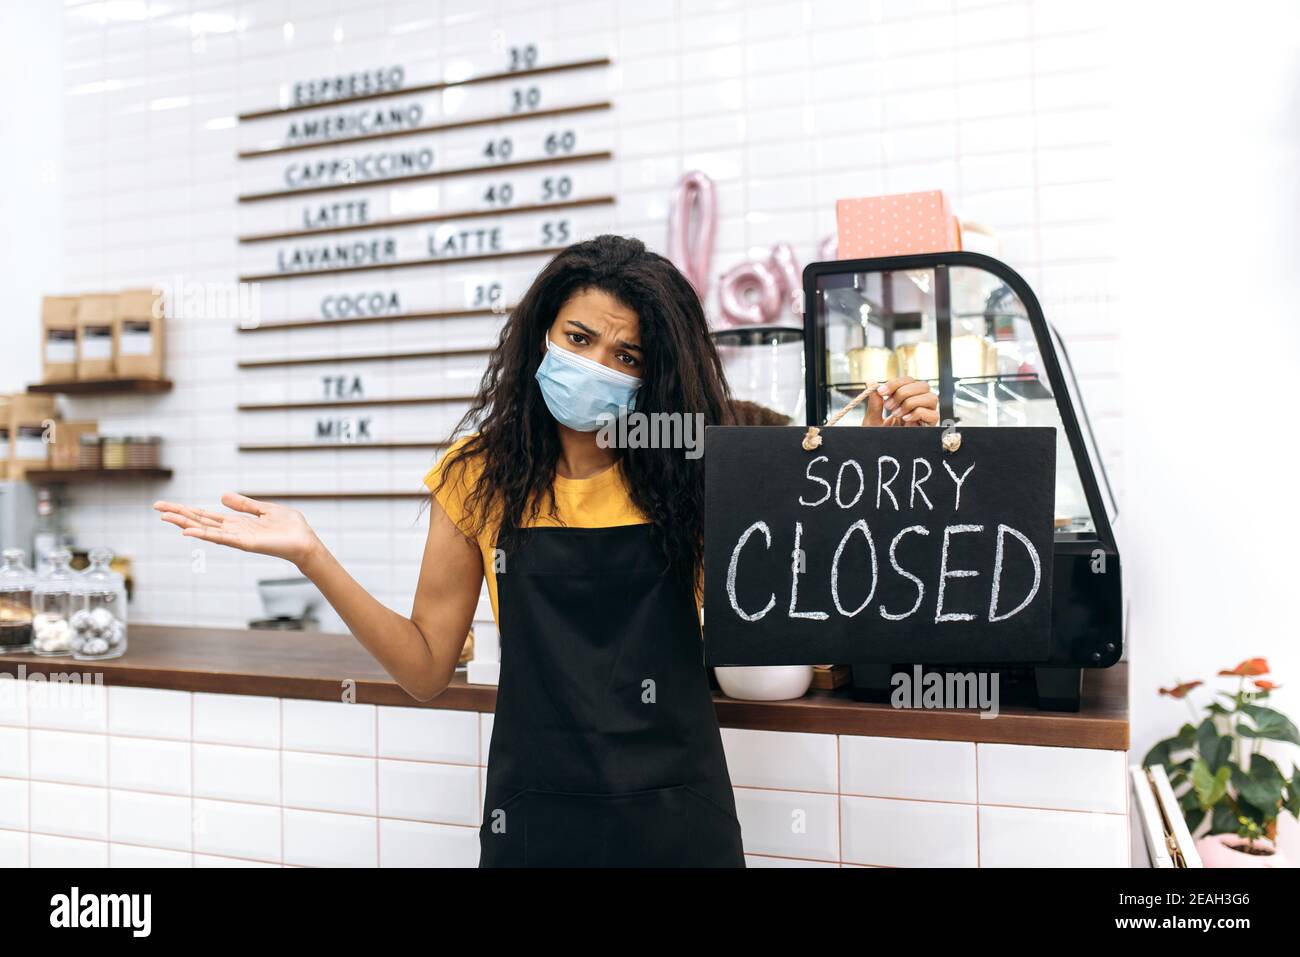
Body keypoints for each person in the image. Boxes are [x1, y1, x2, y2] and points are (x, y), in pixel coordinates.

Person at [154, 234, 939, 867]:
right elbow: (427, 669)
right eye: (579, 337)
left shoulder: (697, 465)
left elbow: (814, 539)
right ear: (542, 336)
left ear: (653, 373)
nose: (596, 365)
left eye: (626, 355)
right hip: (536, 820)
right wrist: (312, 555)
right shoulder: (476, 476)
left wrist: (884, 441)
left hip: (679, 821)